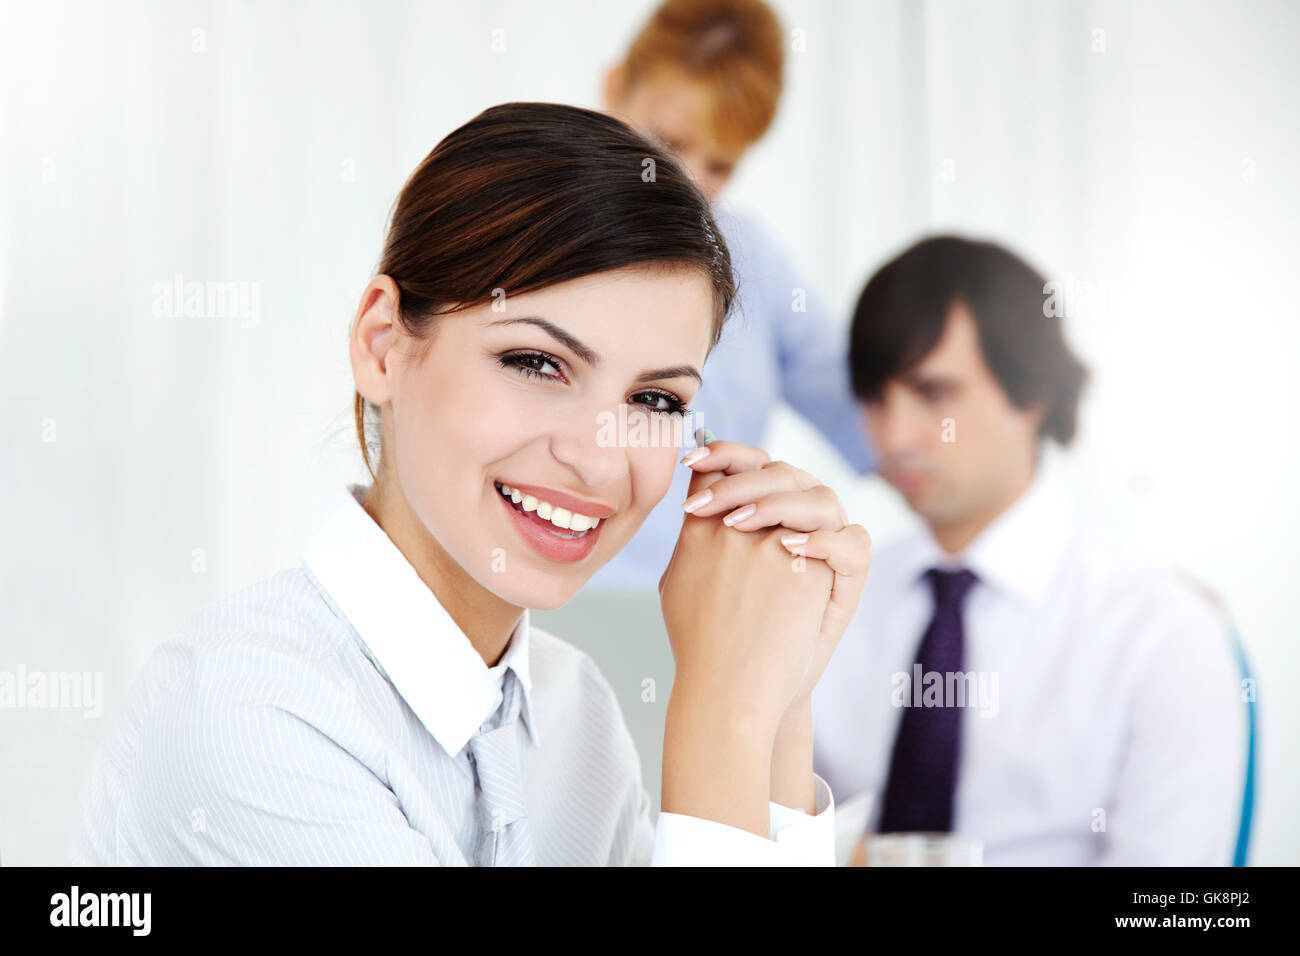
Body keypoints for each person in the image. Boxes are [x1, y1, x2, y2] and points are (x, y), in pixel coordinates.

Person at [70, 102, 873, 866]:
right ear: (383, 345)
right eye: (535, 363)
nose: (599, 461)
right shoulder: (251, 715)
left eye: (654, 401)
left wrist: (777, 704)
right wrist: (722, 715)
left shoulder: (575, 716)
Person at [813, 236, 1248, 865]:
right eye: (875, 399)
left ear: (1033, 394)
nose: (894, 436)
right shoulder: (832, 599)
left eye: (934, 394)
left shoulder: (1160, 628)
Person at [589, 0, 876, 589]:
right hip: (533, 620)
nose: (687, 183)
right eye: (667, 142)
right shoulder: (519, 225)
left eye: (720, 165)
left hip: (690, 622)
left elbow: (874, 417)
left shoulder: (753, 263)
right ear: (616, 88)